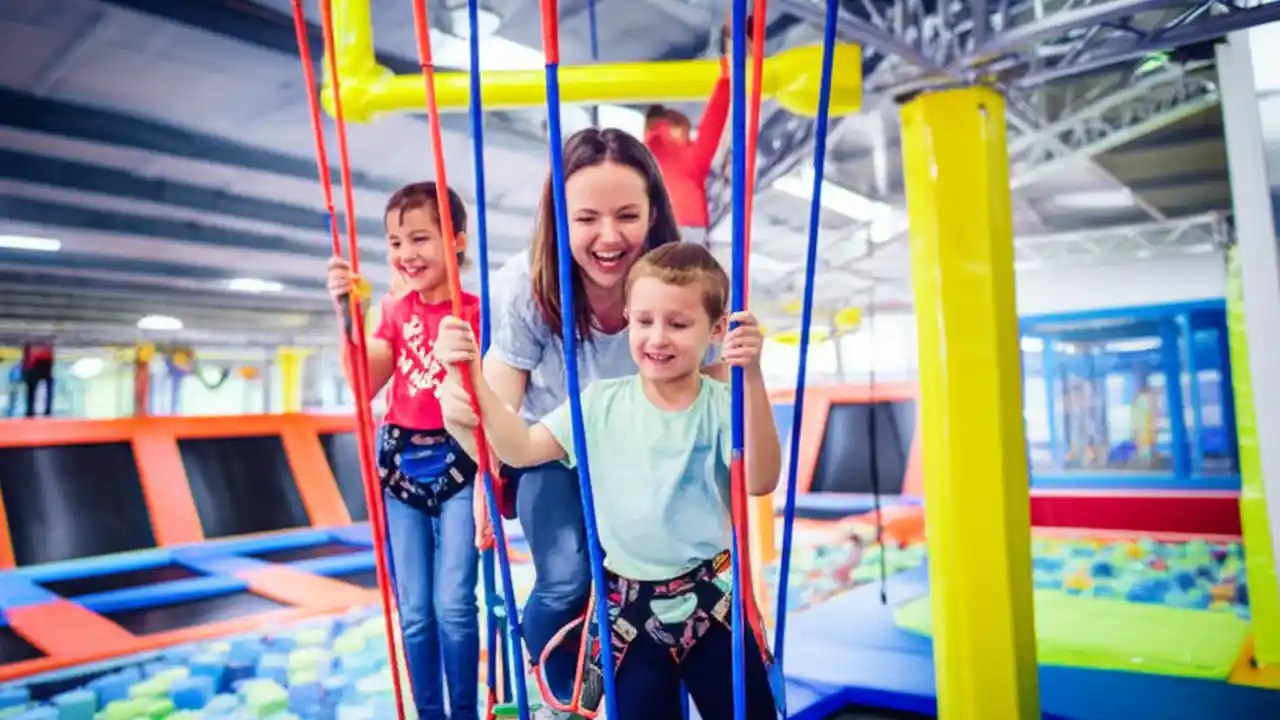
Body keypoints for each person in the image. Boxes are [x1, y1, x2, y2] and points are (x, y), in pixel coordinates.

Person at [436, 242, 782, 720]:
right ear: (628, 318)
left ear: (716, 330)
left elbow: (762, 480)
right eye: (644, 321)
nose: (657, 338)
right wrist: (475, 382)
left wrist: (754, 377)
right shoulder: (598, 404)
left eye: (678, 324)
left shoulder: (721, 404)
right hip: (628, 615)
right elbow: (519, 449)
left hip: (712, 607)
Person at [480, 127, 727, 715]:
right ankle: (556, 695)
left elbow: (719, 394)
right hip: (554, 445)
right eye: (586, 218)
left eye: (627, 215)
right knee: (569, 578)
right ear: (558, 219)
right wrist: (479, 487)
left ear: (654, 213)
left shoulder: (682, 279)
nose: (608, 237)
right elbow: (498, 400)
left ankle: (645, 675)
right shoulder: (526, 282)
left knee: (664, 580)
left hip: (647, 448)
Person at [326, 181, 481, 720]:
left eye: (420, 239)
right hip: (400, 465)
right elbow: (362, 383)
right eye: (395, 243)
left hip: (460, 463)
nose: (406, 254)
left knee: (454, 606)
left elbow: (489, 402)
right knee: (415, 611)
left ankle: (464, 711)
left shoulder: (476, 314)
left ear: (456, 241)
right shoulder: (394, 311)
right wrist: (349, 315)